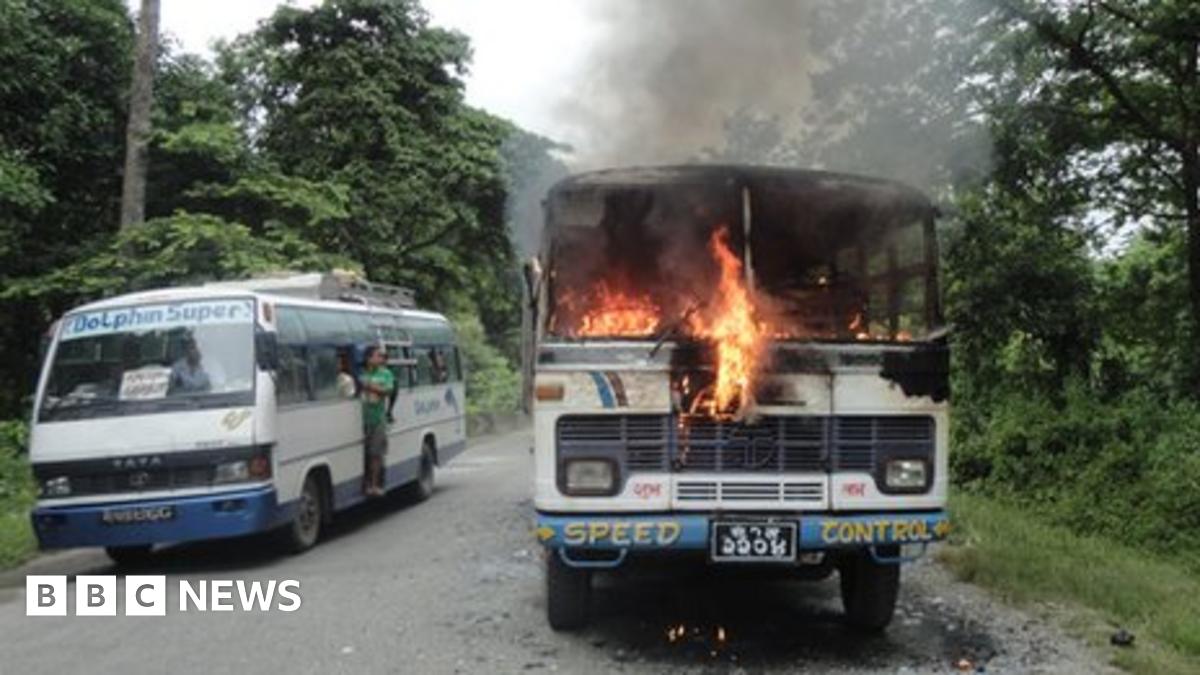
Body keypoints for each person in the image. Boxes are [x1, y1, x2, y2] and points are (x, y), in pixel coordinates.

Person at [359, 345, 395, 497]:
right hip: (361, 420)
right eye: (377, 356)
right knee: (365, 454)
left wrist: (370, 386)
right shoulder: (361, 373)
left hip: (378, 420)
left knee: (376, 453)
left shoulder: (385, 373)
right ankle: (366, 484)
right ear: (368, 358)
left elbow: (388, 390)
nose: (380, 359)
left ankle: (375, 485)